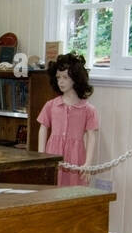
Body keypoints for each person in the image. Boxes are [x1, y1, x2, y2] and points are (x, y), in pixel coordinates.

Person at [37, 53, 98, 187]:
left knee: (74, 194)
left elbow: (91, 136)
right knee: (51, 192)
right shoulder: (51, 105)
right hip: (53, 155)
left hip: (76, 158)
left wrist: (88, 163)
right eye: (58, 77)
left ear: (76, 78)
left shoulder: (88, 109)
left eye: (65, 77)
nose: (61, 81)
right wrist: (41, 157)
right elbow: (43, 128)